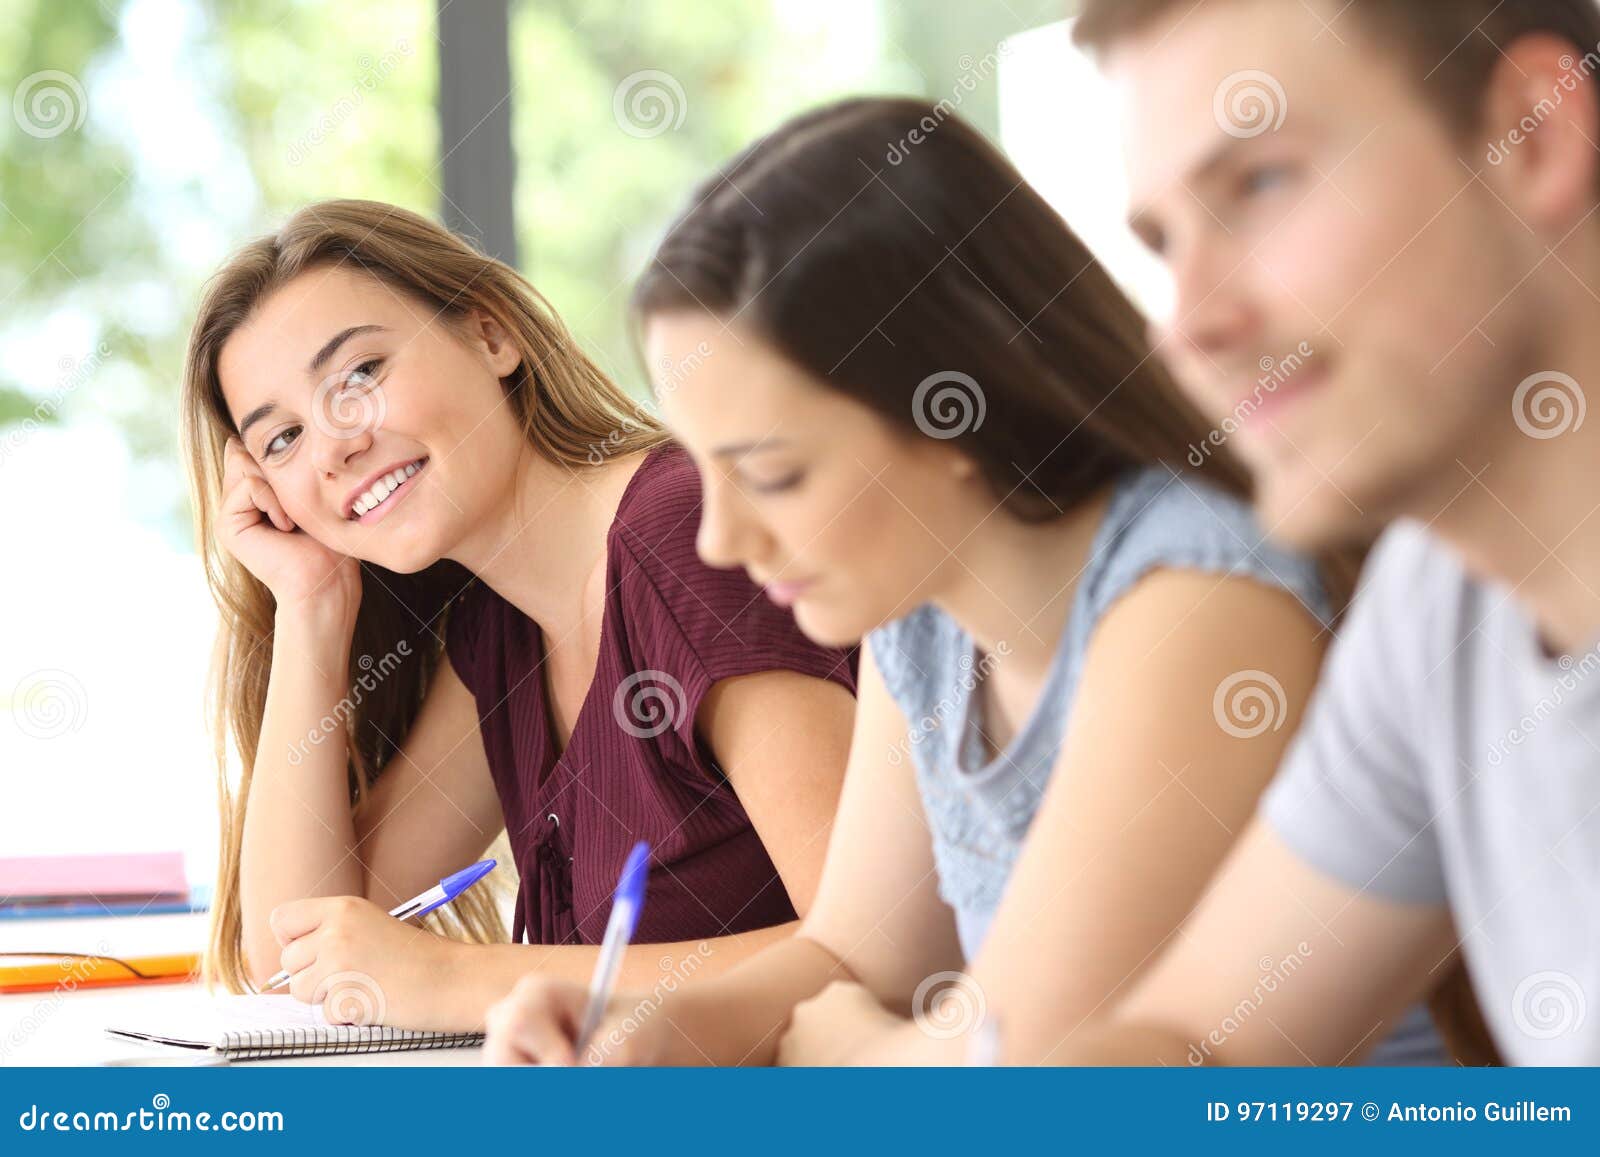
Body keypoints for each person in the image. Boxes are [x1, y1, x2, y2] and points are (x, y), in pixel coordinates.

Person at [478, 97, 1445, 1065]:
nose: (722, 539)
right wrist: (671, 1024)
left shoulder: (1196, 591)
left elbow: (1013, 1055)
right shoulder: (923, 608)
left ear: (950, 409)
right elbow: (856, 953)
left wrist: (843, 1042)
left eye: (770, 472)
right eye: (705, 466)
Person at [1004, 0, 1600, 1065]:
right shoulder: (1443, 589)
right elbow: (1200, 1040)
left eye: (1260, 183)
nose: (1185, 323)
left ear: (1537, 137)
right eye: (1161, 239)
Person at [180, 200, 856, 1031]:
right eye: (280, 438)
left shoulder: (686, 543)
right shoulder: (499, 629)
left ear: (491, 334)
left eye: (358, 374)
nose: (333, 445)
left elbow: (870, 951)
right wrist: (311, 604)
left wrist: (459, 977)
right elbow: (299, 949)